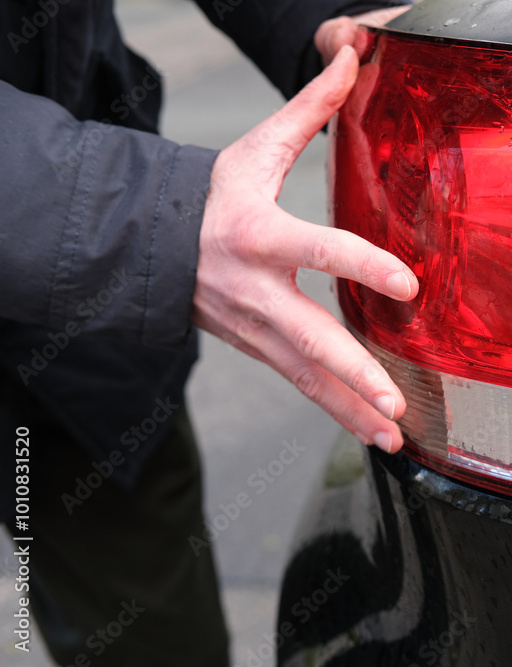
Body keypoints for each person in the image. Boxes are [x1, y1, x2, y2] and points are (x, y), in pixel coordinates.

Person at [0, 1, 412, 664]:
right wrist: (155, 228)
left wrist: (336, 17)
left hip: (92, 346)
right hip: (112, 233)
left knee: (152, 634)